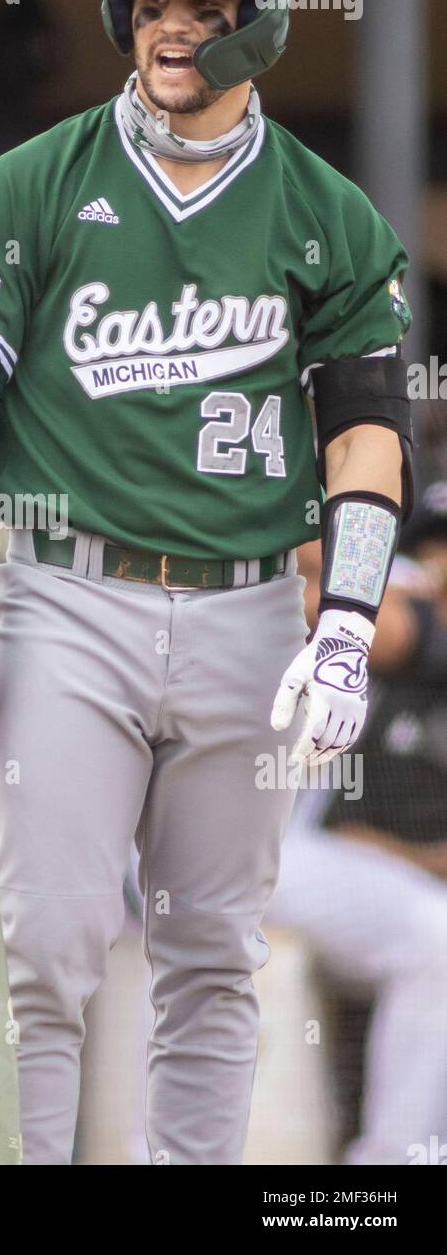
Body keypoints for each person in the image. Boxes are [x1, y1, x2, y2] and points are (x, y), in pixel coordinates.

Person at [0, 0, 414, 1164]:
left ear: (261, 24)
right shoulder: (35, 180)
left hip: (250, 604)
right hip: (69, 596)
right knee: (45, 953)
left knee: (211, 959)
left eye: (204, 6)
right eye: (150, 2)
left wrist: (346, 618)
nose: (169, 27)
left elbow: (367, 433)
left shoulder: (325, 211)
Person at [267, 495, 447, 1165]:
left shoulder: (397, 610)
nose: (437, 566)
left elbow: (389, 621)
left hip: (303, 852)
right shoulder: (387, 598)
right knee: (437, 939)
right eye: (432, 551)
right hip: (259, 852)